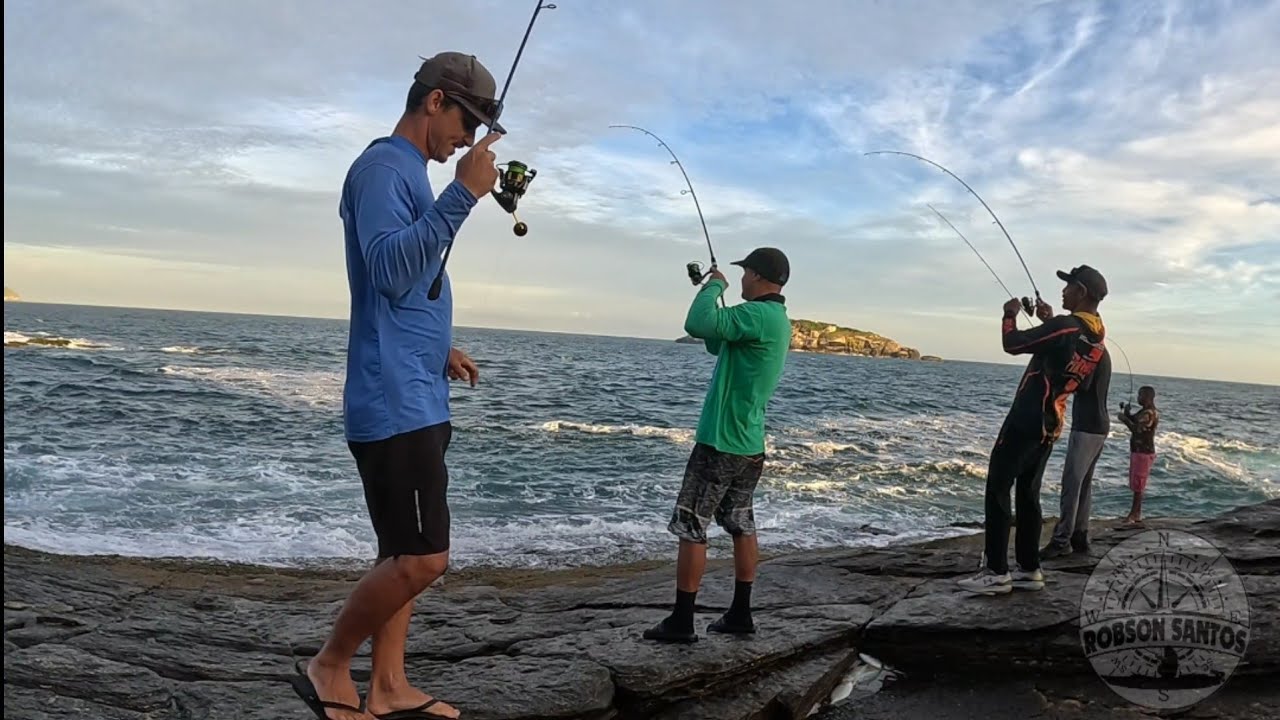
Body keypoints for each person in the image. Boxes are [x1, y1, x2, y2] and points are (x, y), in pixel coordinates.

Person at [290, 52, 505, 720]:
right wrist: (464, 194)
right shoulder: (386, 168)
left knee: (400, 552)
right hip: (393, 401)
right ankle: (329, 664)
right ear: (435, 100)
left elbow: (404, 288)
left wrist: (438, 346)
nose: (468, 138)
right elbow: (386, 268)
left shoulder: (406, 173)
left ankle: (387, 687)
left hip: (414, 384)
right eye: (466, 120)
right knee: (424, 557)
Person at [643, 248, 793, 643]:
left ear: (758, 277)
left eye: (744, 273)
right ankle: (740, 614)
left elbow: (695, 323)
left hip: (720, 443)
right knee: (741, 524)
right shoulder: (775, 319)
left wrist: (714, 286)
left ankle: (681, 621)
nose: (741, 278)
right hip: (749, 443)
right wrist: (720, 300)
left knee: (691, 526)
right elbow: (714, 339)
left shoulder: (755, 315)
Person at [957, 265, 1108, 596]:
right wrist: (1047, 321)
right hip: (1051, 424)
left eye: (1068, 286)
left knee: (998, 486)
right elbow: (1062, 351)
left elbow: (1012, 344)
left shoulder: (1066, 326)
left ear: (1082, 291)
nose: (1063, 291)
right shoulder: (1095, 337)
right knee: (1028, 493)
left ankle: (996, 571)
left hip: (1027, 419)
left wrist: (1009, 314)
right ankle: (1028, 568)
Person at [1040, 337, 1112, 559]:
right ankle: (1079, 535)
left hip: (1086, 426)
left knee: (1072, 484)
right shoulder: (1101, 351)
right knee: (1084, 484)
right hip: (1098, 424)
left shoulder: (1092, 353)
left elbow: (1084, 383)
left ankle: (1062, 540)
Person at [1118, 386, 1160, 524]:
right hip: (1139, 451)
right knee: (1137, 483)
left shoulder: (1149, 413)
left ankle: (1134, 514)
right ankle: (1137, 513)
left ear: (1148, 397)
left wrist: (1124, 419)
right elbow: (1136, 420)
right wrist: (1128, 413)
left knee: (1139, 484)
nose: (1138, 398)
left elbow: (1137, 429)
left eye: (1140, 395)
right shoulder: (1145, 412)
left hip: (1143, 452)